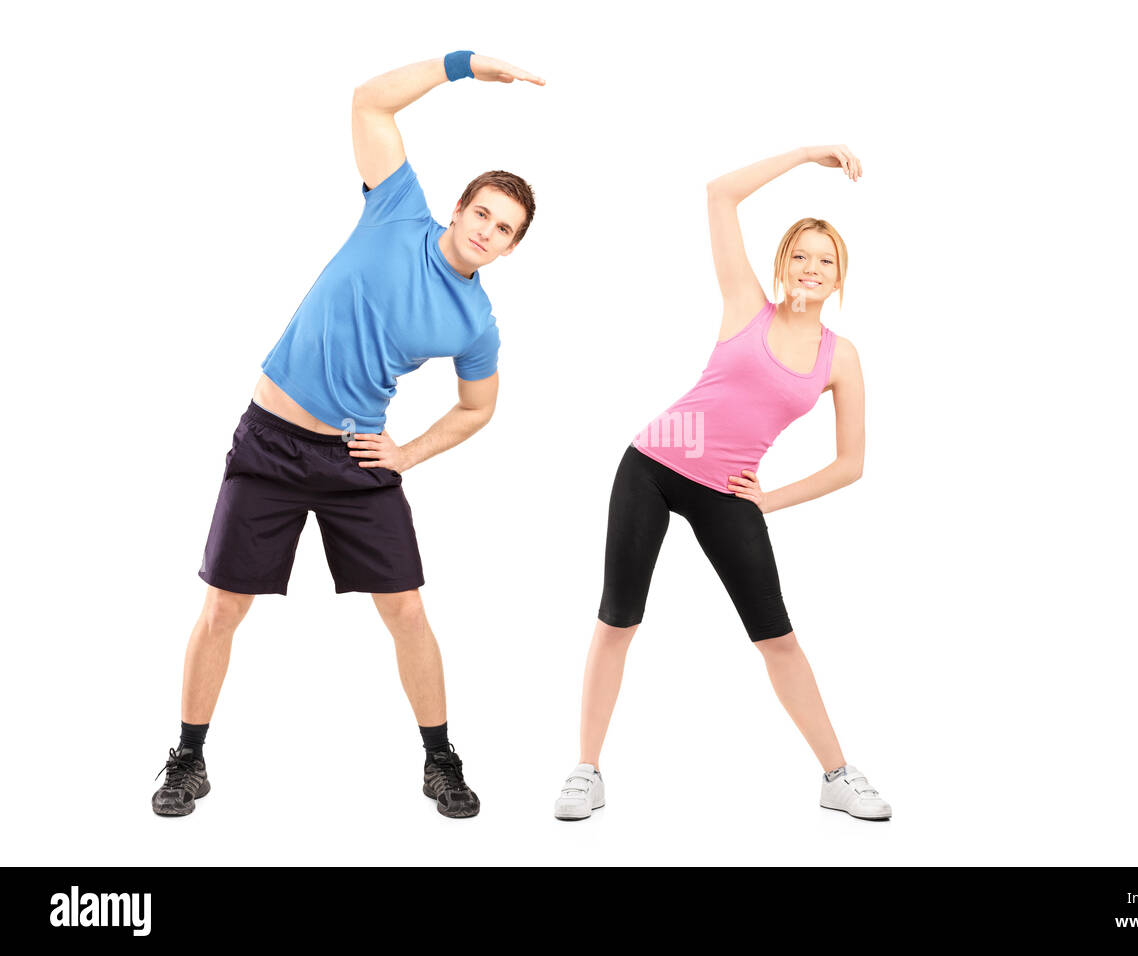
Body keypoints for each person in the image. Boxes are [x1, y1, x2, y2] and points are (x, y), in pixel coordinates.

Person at [152, 50, 543, 820]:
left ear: (511, 248)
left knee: (406, 612)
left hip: (355, 457)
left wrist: (407, 452)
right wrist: (463, 66)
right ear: (459, 209)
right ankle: (187, 758)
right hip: (268, 443)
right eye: (483, 215)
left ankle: (441, 761)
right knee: (224, 608)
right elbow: (369, 101)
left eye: (505, 230)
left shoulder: (477, 323)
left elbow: (478, 408)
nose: (488, 233)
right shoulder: (396, 208)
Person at [553, 145, 892, 822]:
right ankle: (585, 771)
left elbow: (851, 463)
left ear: (839, 277)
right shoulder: (747, 304)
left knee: (777, 637)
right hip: (651, 465)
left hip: (726, 493)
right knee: (618, 618)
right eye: (800, 255)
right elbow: (718, 193)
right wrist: (805, 156)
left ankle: (837, 774)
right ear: (782, 264)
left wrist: (769, 499)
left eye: (825, 260)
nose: (811, 268)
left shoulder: (840, 358)